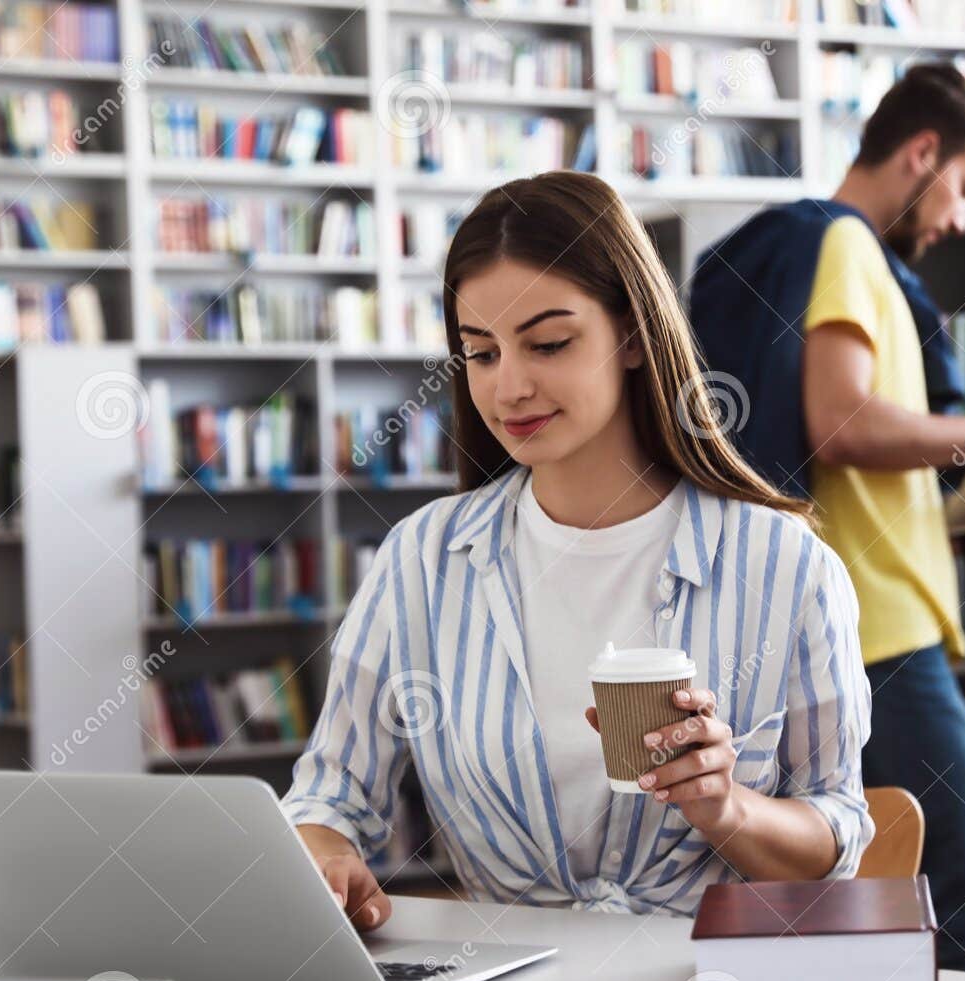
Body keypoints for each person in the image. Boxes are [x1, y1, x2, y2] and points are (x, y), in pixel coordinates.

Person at [284, 170, 873, 929]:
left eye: (550, 343)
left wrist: (725, 807)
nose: (510, 389)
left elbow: (839, 834)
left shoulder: (783, 564)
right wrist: (328, 854)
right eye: (483, 353)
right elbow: (330, 795)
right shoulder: (421, 561)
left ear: (631, 334)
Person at [688, 64, 965, 974]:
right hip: (879, 636)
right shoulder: (843, 245)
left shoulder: (841, 257)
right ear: (921, 153)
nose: (959, 217)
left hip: (871, 620)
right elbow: (842, 421)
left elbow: (872, 477)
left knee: (868, 910)